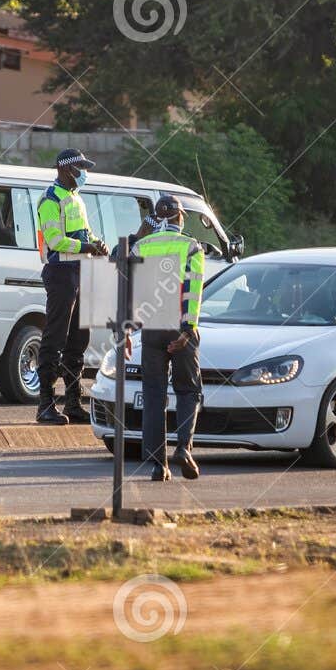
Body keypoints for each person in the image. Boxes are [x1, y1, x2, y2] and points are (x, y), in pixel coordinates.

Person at [132, 194, 205, 480]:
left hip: (151, 325)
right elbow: (193, 291)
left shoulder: (142, 246)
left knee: (153, 394)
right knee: (188, 390)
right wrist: (187, 330)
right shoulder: (190, 247)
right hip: (179, 325)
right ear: (180, 217)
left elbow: (126, 278)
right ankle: (184, 447)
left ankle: (157, 464)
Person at [34, 148, 109, 424]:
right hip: (61, 273)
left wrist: (97, 244)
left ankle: (73, 402)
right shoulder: (50, 199)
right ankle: (45, 404)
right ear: (66, 169)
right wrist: (87, 246)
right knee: (55, 337)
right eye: (81, 168)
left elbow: (85, 232)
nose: (84, 173)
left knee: (79, 339)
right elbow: (54, 240)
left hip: (82, 271)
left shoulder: (76, 198)